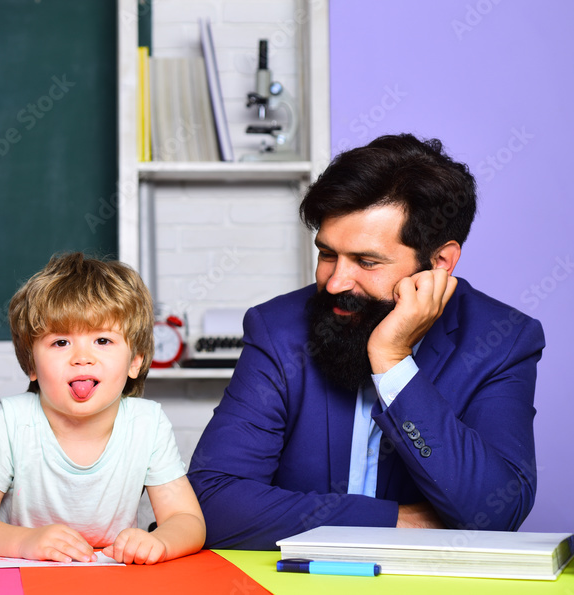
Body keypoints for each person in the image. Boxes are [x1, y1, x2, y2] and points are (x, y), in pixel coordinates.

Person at [188, 134, 545, 550]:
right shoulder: (277, 328)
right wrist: (393, 522)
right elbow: (210, 502)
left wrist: (392, 361)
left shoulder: (502, 340)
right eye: (327, 254)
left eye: (366, 261)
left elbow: (497, 514)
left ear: (440, 262)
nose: (335, 282)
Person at [0, 253, 205, 564]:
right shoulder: (12, 421)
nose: (82, 358)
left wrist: (159, 543)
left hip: (111, 576)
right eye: (61, 342)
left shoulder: (147, 423)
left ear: (135, 361)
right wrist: (25, 541)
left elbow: (187, 519)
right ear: (31, 364)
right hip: (26, 572)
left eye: (103, 340)